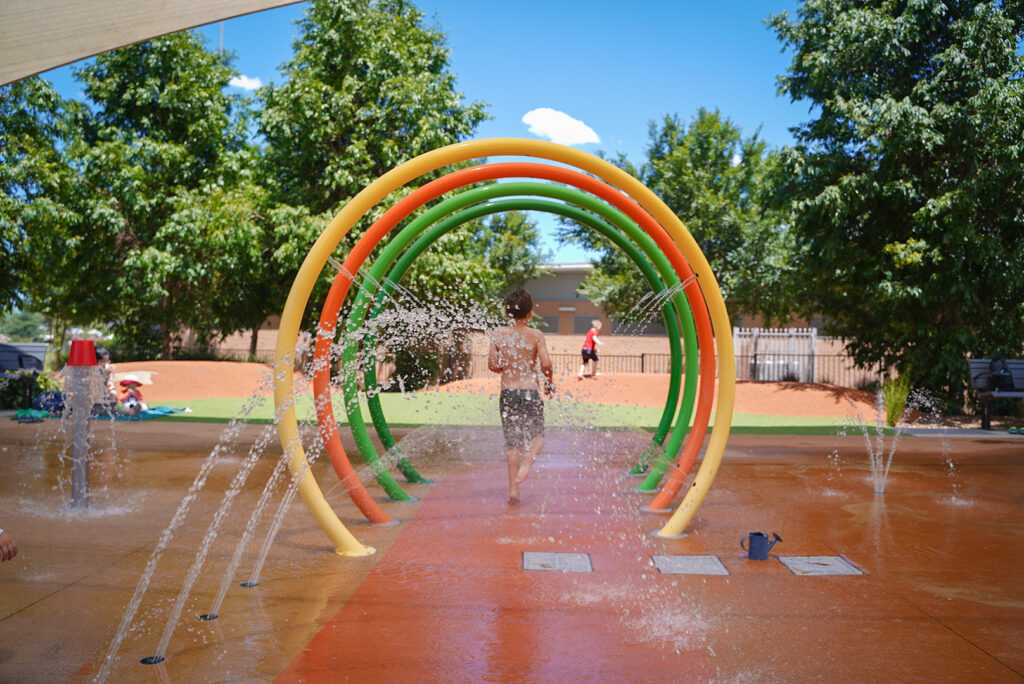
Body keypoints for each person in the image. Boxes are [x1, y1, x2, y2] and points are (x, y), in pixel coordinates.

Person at [488, 289, 554, 504]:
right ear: (530, 314)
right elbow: (546, 363)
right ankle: (528, 460)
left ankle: (513, 490)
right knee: (538, 438)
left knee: (512, 444)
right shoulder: (536, 335)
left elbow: (492, 365)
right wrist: (549, 383)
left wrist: (506, 367)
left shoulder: (498, 334)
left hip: (508, 393)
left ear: (507, 313)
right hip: (530, 392)